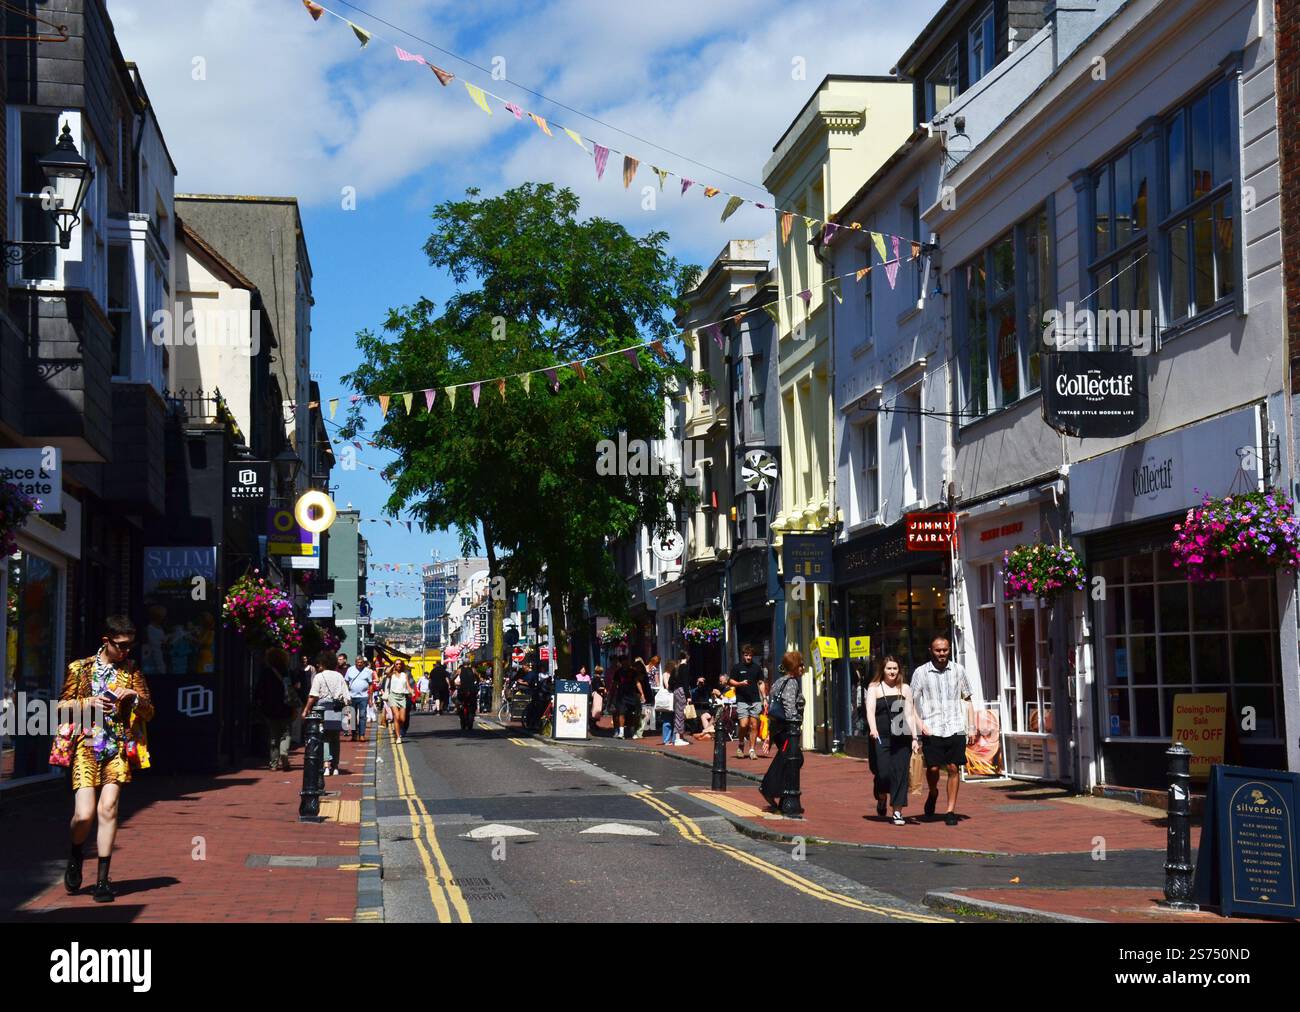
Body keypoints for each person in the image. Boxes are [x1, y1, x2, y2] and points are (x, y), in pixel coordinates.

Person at [60, 615, 155, 903]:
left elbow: (150, 711)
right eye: (121, 645)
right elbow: (61, 707)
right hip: (86, 746)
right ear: (106, 641)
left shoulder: (132, 670)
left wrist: (134, 698)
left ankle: (102, 879)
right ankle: (76, 854)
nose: (126, 651)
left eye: (130, 646)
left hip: (118, 745)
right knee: (84, 815)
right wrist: (85, 702)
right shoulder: (80, 668)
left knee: (109, 808)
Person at [910, 636, 975, 826]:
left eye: (945, 650)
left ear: (949, 650)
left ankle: (950, 811)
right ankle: (933, 792)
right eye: (938, 650)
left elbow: (967, 698)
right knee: (933, 768)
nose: (942, 654)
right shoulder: (921, 672)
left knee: (954, 767)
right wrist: (920, 724)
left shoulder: (958, 670)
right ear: (931, 650)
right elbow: (911, 702)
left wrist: (971, 727)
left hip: (955, 725)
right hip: (932, 727)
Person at [865, 656, 920, 825]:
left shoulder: (905, 688)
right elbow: (870, 710)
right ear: (883, 670)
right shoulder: (875, 687)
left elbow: (910, 714)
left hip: (902, 736)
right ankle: (881, 795)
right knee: (883, 774)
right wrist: (873, 729)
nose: (892, 672)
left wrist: (915, 737)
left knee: (900, 774)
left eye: (895, 668)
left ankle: (897, 811)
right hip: (881, 735)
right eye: (889, 668)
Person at [761, 651, 805, 812]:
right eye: (800, 664)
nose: (803, 667)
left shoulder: (778, 682)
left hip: (779, 730)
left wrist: (770, 738)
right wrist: (794, 722)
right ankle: (768, 788)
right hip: (787, 729)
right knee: (795, 759)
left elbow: (772, 707)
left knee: (790, 759)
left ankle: (784, 798)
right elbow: (788, 706)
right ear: (794, 666)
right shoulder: (791, 682)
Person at [303, 651, 350, 775]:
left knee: (324, 738)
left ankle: (326, 766)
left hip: (322, 708)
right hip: (336, 708)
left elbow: (313, 695)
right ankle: (335, 767)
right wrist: (347, 713)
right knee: (335, 738)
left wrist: (306, 709)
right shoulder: (339, 676)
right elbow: (347, 697)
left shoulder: (319, 676)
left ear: (323, 663)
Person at [257, 648, 295, 771]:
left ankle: (273, 763)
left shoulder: (265, 672)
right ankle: (284, 753)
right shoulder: (287, 672)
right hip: (286, 706)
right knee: (286, 733)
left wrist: (260, 703)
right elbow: (295, 688)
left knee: (273, 735)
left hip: (270, 708)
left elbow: (259, 690)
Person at [729, 644, 767, 760]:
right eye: (746, 655)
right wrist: (740, 684)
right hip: (742, 700)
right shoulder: (737, 667)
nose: (748, 657)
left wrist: (764, 698)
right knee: (743, 725)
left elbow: (760, 683)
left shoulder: (757, 668)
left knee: (754, 725)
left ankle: (752, 750)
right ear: (743, 656)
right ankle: (741, 743)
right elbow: (730, 681)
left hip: (755, 700)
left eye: (750, 655)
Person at [610, 662, 644, 740]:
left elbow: (637, 682)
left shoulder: (633, 672)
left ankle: (633, 732)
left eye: (626, 661)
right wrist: (611, 695)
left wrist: (642, 694)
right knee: (621, 713)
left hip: (631, 695)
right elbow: (615, 684)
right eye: (623, 661)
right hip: (621, 695)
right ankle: (621, 733)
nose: (625, 663)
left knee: (632, 714)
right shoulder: (618, 672)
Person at [346, 656, 373, 742]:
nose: (359, 664)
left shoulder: (368, 671)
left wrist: (370, 698)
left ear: (363, 663)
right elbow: (346, 682)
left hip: (363, 697)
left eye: (361, 663)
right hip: (351, 697)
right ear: (355, 662)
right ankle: (354, 734)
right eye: (358, 662)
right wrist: (346, 695)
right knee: (352, 717)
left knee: (362, 716)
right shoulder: (350, 670)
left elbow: (371, 685)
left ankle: (362, 735)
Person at [386, 660, 414, 743]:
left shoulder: (404, 675)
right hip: (393, 696)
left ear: (402, 665)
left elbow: (408, 686)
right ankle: (398, 737)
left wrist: (411, 691)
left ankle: (396, 727)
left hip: (402, 697)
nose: (398, 665)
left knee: (402, 719)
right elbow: (387, 672)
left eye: (400, 664)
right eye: (396, 664)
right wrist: (392, 666)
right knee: (396, 716)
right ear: (394, 665)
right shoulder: (392, 674)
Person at [666, 660, 690, 746]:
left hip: (676, 691)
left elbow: (670, 683)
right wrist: (688, 696)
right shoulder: (684, 668)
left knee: (679, 714)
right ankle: (677, 738)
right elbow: (686, 683)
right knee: (680, 715)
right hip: (682, 691)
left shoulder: (675, 669)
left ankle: (679, 737)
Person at [456, 664, 480, 731]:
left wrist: (453, 684)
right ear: (469, 664)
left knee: (459, 702)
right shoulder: (473, 670)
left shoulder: (460, 670)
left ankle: (460, 711)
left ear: (463, 664)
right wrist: (477, 683)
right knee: (473, 704)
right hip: (471, 690)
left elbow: (452, 678)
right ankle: (472, 714)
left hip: (462, 690)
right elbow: (478, 678)